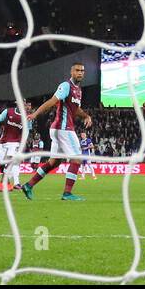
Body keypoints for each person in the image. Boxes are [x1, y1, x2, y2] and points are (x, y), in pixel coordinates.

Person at [20, 62, 93, 201]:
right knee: (77, 158)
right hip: (63, 128)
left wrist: (86, 116)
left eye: (82, 71)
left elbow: (76, 109)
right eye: (77, 70)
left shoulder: (78, 90)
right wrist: (35, 114)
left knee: (54, 162)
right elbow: (53, 101)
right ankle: (67, 193)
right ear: (71, 72)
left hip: (60, 129)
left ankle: (29, 185)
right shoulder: (66, 86)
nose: (80, 73)